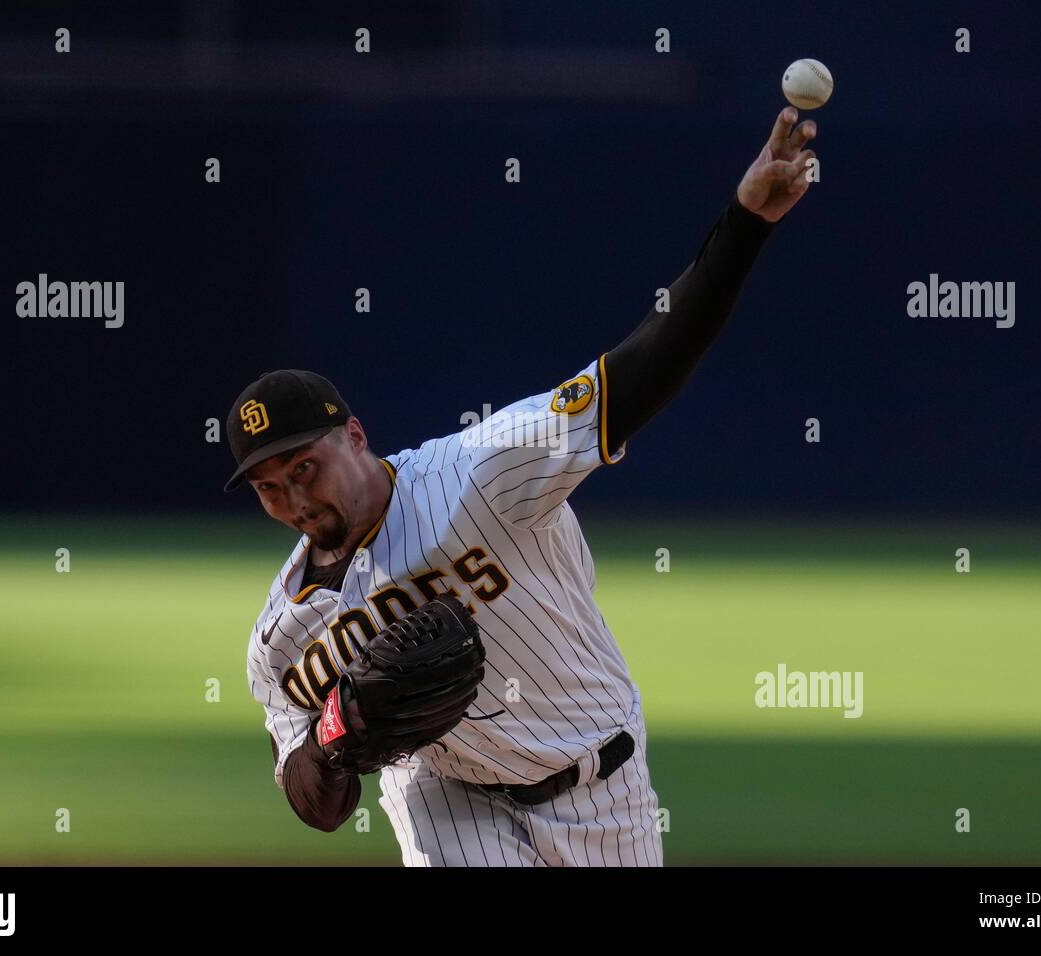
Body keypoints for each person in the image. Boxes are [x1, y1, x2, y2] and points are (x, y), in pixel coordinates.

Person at [224, 107, 817, 866]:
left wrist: (745, 224)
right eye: (269, 488)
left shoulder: (481, 472)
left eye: (303, 469)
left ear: (356, 436)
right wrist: (338, 733)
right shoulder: (280, 639)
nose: (294, 500)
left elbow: (639, 374)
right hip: (447, 798)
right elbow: (317, 807)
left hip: (603, 777)